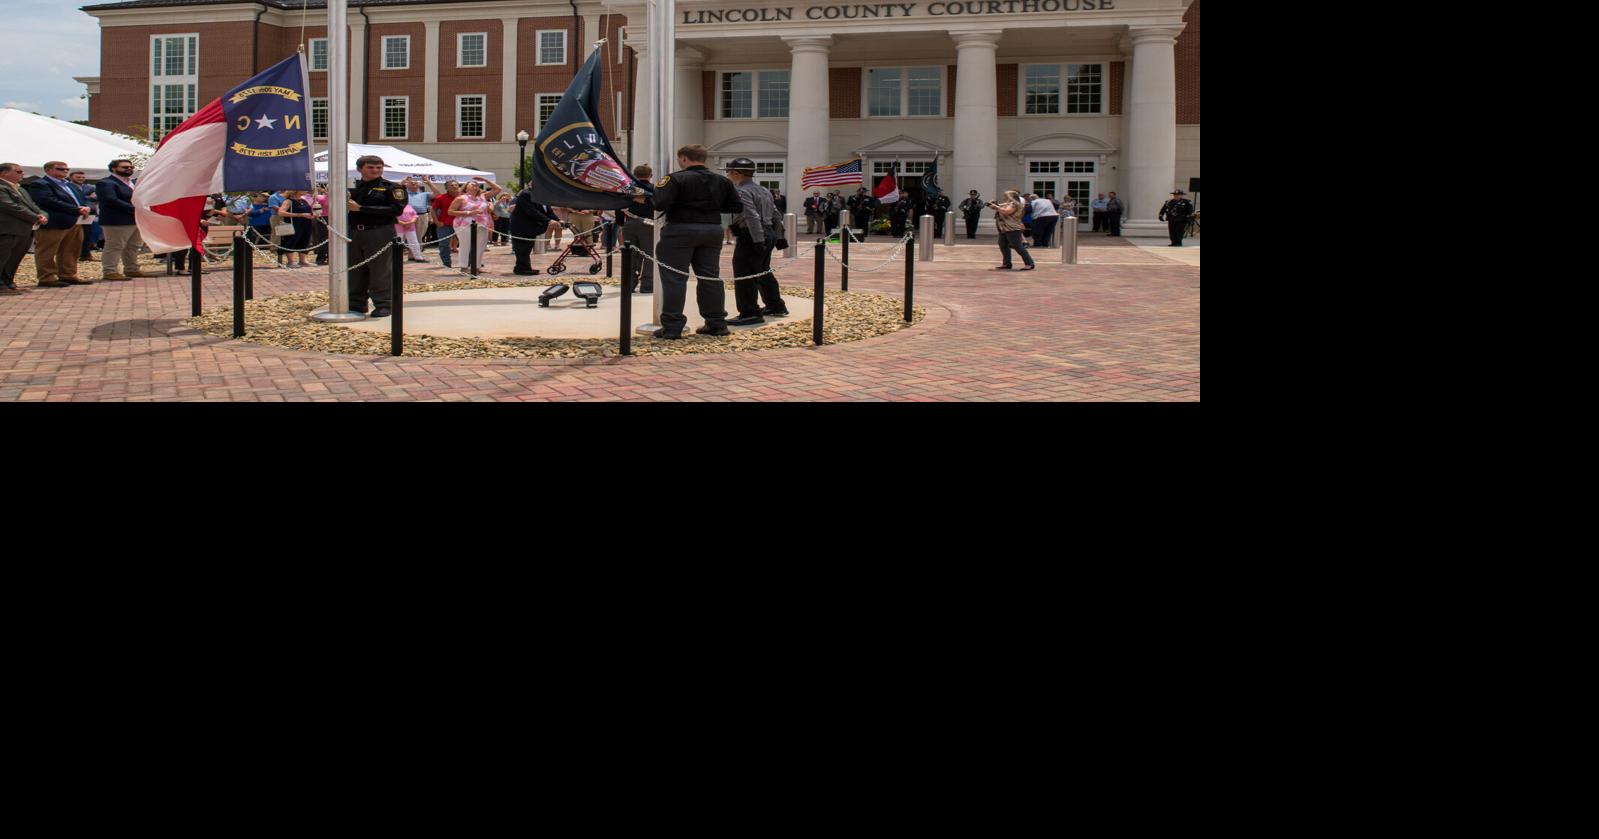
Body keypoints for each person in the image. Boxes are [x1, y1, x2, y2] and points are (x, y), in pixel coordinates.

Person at [630, 143, 743, 339]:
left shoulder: (674, 179)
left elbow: (659, 203)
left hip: (680, 230)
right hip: (711, 230)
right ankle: (716, 323)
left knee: (675, 278)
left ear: (683, 158)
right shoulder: (722, 181)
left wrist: (642, 199)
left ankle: (672, 326)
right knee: (709, 277)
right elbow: (735, 206)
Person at [724, 157, 787, 326]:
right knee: (762, 270)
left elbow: (751, 216)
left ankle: (749, 312)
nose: (728, 174)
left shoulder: (741, 191)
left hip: (753, 234)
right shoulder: (764, 190)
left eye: (729, 171)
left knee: (745, 273)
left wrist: (758, 240)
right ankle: (775, 305)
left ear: (737, 173)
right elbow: (776, 214)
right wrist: (780, 236)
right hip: (767, 232)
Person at [345, 154, 407, 317]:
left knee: (380, 270)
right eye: (370, 167)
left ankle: (383, 304)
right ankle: (356, 304)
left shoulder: (392, 188)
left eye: (379, 167)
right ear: (360, 169)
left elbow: (396, 210)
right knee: (355, 269)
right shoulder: (354, 188)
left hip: (379, 231)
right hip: (354, 231)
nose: (375, 170)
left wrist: (362, 208)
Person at [24, 161, 93, 286]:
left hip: (75, 222)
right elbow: (48, 201)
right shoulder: (40, 184)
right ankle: (47, 277)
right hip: (54, 222)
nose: (65, 171)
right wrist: (76, 209)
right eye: (61, 169)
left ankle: (68, 275)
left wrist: (88, 207)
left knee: (71, 250)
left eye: (67, 169)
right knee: (47, 251)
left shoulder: (70, 185)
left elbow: (84, 198)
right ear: (48, 170)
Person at [96, 159, 152, 281]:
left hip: (135, 219)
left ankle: (132, 269)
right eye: (125, 167)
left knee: (133, 246)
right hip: (117, 220)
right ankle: (110, 271)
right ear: (114, 168)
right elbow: (110, 200)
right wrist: (135, 209)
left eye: (131, 167)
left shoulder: (133, 183)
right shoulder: (106, 183)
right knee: (115, 246)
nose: (129, 169)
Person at [0, 162, 48, 295]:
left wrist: (43, 214)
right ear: (4, 173)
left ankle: (8, 282)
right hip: (6, 229)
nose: (22, 174)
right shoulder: (1, 187)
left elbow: (32, 205)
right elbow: (9, 206)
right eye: (18, 172)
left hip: (24, 229)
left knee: (15, 257)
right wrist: (35, 217)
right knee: (3, 257)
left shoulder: (20, 189)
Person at [449, 176, 501, 274]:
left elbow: (498, 189)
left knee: (481, 246)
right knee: (465, 245)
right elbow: (450, 212)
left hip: (482, 224)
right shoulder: (461, 198)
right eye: (472, 183)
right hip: (464, 224)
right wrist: (469, 212)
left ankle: (476, 267)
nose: (475, 184)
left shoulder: (483, 196)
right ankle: (463, 267)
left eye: (476, 184)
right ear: (466, 187)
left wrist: (485, 180)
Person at [619, 163, 656, 292]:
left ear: (634, 175)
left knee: (631, 254)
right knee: (649, 255)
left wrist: (620, 223)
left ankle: (629, 284)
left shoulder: (628, 188)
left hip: (629, 223)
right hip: (649, 224)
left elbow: (619, 206)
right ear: (650, 175)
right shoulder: (654, 189)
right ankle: (647, 284)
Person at [510, 185, 559, 277]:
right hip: (521, 226)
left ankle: (525, 268)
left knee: (527, 248)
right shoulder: (526, 194)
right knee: (522, 248)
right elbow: (532, 211)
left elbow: (548, 211)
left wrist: (557, 220)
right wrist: (548, 220)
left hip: (531, 227)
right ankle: (521, 269)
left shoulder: (541, 196)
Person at [987, 190, 1034, 271]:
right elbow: (999, 207)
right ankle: (1007, 263)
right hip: (1004, 227)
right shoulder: (1008, 204)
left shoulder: (1014, 204)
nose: (1004, 197)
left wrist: (996, 207)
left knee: (1017, 246)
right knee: (1003, 244)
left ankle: (1029, 263)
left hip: (1012, 228)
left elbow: (1007, 211)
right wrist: (992, 204)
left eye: (1006, 196)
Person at [276, 189, 316, 268]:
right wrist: (300, 215)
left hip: (306, 224)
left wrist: (313, 214)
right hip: (294, 224)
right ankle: (290, 261)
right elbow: (281, 212)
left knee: (305, 241)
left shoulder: (303, 200)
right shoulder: (288, 201)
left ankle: (302, 261)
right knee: (292, 240)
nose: (305, 190)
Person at [429, 180, 462, 267]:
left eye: (456, 185)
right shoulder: (441, 198)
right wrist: (436, 222)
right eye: (451, 185)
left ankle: (470, 262)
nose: (454, 186)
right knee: (444, 244)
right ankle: (447, 263)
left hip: (461, 225)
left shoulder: (463, 197)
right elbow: (433, 210)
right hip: (444, 225)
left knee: (466, 243)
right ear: (446, 188)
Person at [71, 172, 102, 261]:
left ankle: (85, 254)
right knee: (73, 235)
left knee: (87, 234)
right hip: (74, 212)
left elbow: (98, 197)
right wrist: (87, 196)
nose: (81, 178)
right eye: (78, 177)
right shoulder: (67, 186)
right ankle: (73, 255)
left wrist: (86, 198)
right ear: (71, 177)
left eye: (82, 177)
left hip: (89, 212)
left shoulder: (90, 187)